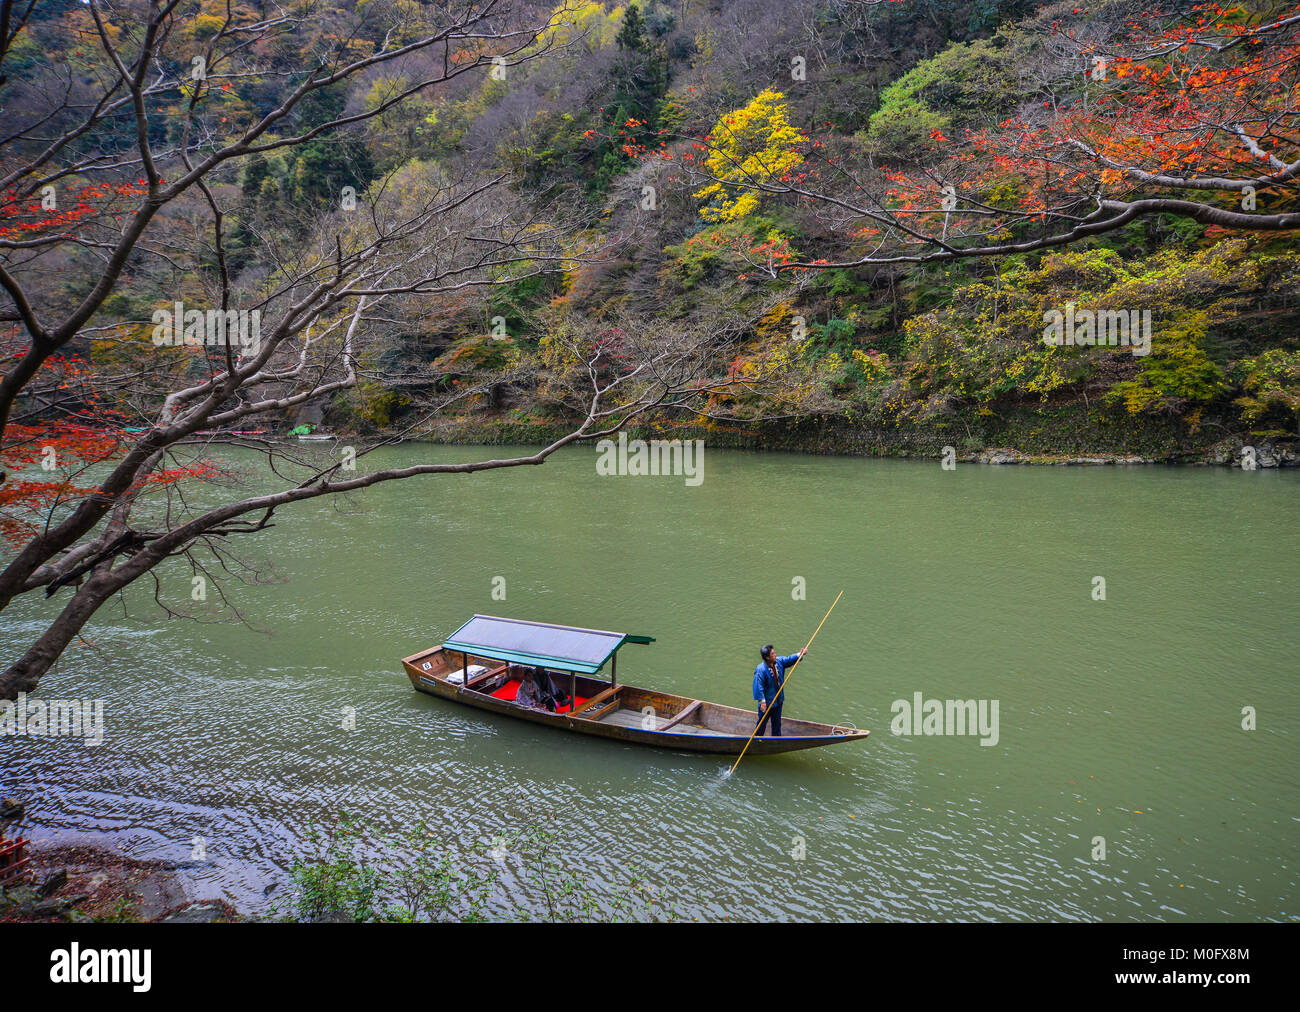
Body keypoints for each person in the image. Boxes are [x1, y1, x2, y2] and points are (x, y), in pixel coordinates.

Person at [752, 644, 806, 737]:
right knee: (762, 724)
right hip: (767, 704)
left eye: (774, 652)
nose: (775, 655)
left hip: (778, 701)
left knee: (777, 724)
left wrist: (799, 654)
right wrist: (762, 702)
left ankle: (776, 739)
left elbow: (789, 659)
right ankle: (757, 739)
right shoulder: (761, 670)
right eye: (773, 654)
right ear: (767, 657)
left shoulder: (779, 661)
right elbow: (758, 687)